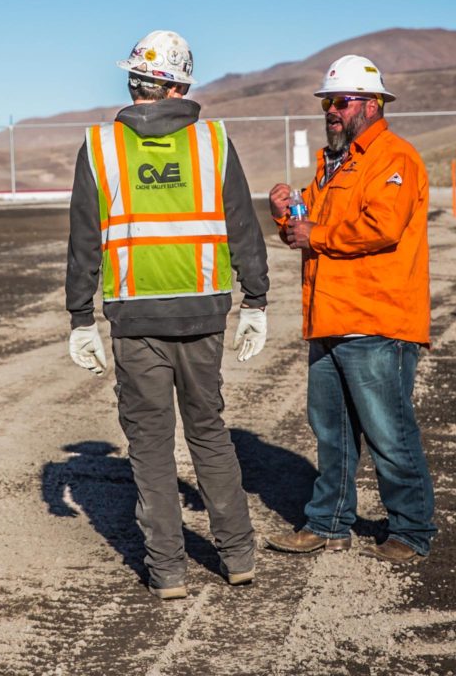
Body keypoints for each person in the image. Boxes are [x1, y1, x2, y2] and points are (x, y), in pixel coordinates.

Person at [65, 30, 270, 599]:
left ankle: (169, 572)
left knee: (151, 447)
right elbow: (242, 227)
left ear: (134, 82)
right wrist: (256, 300)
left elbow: (84, 240)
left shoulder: (100, 147)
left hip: (135, 320)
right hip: (203, 315)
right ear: (181, 85)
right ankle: (238, 557)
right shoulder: (214, 142)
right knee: (209, 433)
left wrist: (81, 316)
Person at [265, 55, 435, 564]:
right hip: (329, 316)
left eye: (340, 102)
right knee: (331, 432)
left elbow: (381, 227)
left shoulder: (394, 159)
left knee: (389, 432)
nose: (331, 111)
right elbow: (311, 229)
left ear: (372, 103)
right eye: (326, 102)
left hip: (377, 320)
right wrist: (287, 215)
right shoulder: (330, 163)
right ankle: (329, 523)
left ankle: (411, 530)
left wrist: (314, 232)